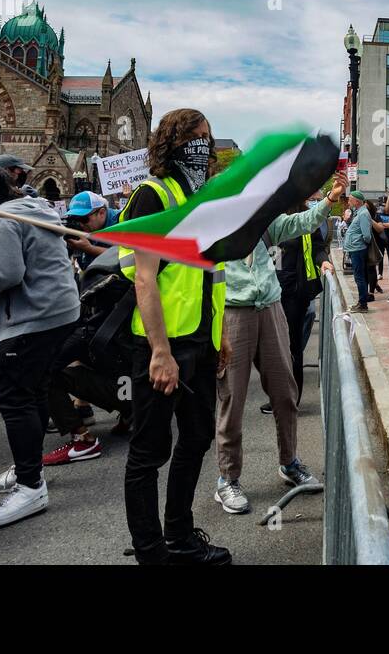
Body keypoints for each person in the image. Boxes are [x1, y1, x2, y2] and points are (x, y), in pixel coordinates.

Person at [117, 109, 230, 564]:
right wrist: (160, 352)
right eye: (193, 137)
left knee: (198, 436)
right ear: (172, 143)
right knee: (148, 450)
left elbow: (210, 278)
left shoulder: (202, 202)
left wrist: (218, 339)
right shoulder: (153, 195)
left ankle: (180, 535)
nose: (202, 145)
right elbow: (145, 279)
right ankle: (150, 551)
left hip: (201, 344)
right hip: (162, 346)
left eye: (207, 137)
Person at [214, 172, 343, 514]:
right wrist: (215, 326)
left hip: (270, 307)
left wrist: (329, 201)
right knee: (233, 398)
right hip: (232, 313)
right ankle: (228, 479)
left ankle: (290, 462)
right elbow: (202, 273)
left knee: (285, 393)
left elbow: (297, 223)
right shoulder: (213, 224)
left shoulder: (262, 220)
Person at [0, 167, 79, 527]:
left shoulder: (0, 222)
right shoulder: (36, 207)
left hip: (31, 319)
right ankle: (29, 469)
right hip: (58, 312)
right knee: (35, 393)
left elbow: (7, 276)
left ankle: (30, 486)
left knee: (15, 400)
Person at [275, 189, 334, 405]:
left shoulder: (306, 220)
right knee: (275, 348)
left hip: (296, 292)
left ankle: (291, 398)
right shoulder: (272, 217)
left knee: (292, 346)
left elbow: (318, 247)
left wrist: (324, 261)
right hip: (272, 291)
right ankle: (279, 396)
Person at [63, 190, 117, 270]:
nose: (80, 224)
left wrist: (90, 249)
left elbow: (127, 257)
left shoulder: (121, 222)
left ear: (101, 213)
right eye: (75, 218)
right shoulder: (83, 227)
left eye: (83, 219)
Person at [342, 191, 374, 312]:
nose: (348, 201)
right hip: (356, 248)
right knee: (359, 276)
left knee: (359, 277)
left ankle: (363, 304)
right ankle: (361, 302)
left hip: (358, 249)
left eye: (350, 199)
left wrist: (359, 242)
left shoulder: (363, 214)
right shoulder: (359, 213)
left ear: (356, 201)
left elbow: (366, 235)